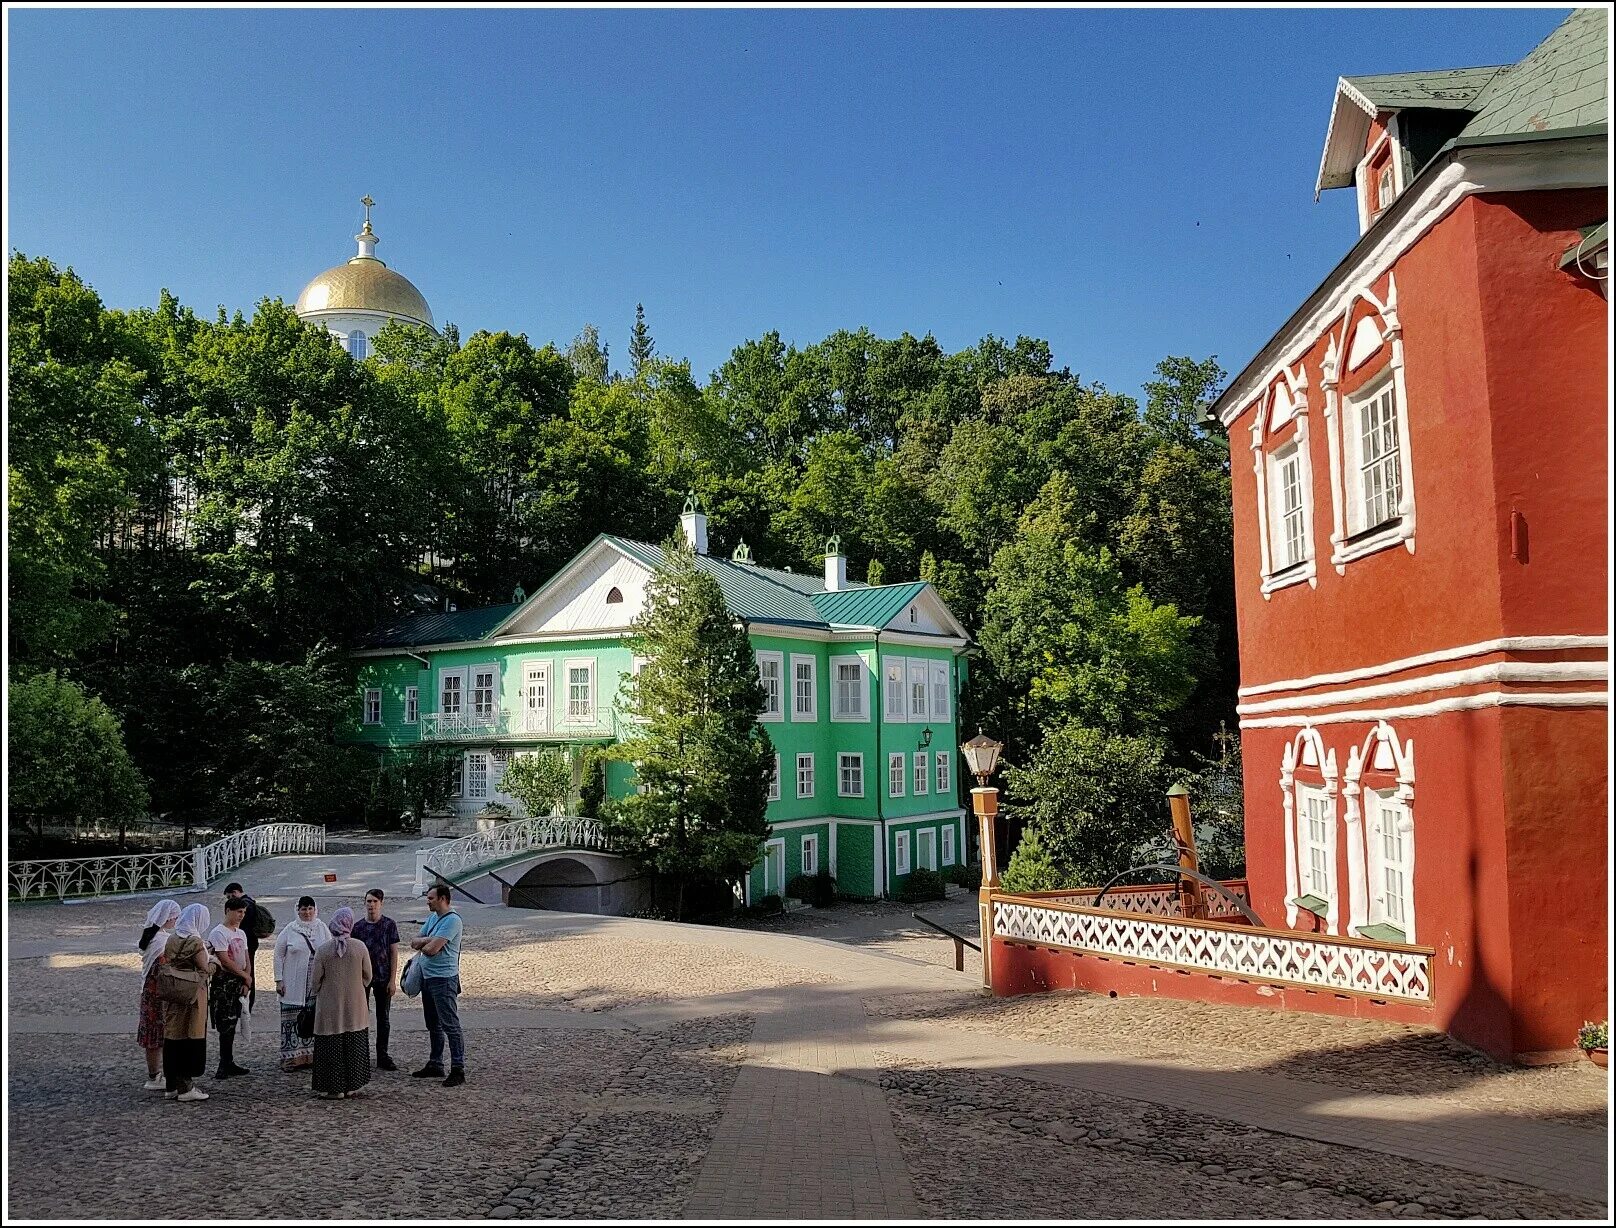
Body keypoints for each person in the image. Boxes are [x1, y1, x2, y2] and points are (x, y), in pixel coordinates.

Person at [308, 906, 374, 1100]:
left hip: (330, 1008)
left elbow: (315, 981)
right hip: (355, 1007)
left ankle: (334, 1088)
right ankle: (352, 1086)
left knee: (332, 1047)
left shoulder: (323, 950)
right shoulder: (360, 947)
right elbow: (368, 976)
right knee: (354, 1045)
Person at [410, 883, 466, 1087]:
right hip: (427, 977)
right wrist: (430, 940)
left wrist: (428, 943)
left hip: (443, 979)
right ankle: (436, 1063)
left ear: (442, 899)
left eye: (431, 898)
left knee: (450, 1024)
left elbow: (431, 950)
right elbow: (414, 942)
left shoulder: (452, 921)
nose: (427, 900)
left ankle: (458, 1068)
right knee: (433, 1024)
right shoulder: (434, 918)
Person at [273, 896, 331, 1072]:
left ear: (315, 910)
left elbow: (330, 951)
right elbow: (278, 954)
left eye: (310, 909)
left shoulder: (322, 928)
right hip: (294, 983)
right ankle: (291, 1059)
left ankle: (312, 1056)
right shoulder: (290, 930)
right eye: (303, 909)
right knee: (292, 1020)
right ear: (298, 910)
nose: (307, 913)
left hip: (315, 984)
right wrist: (279, 979)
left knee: (314, 1019)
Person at [162, 903, 213, 1102]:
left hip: (174, 992)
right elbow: (204, 969)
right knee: (190, 1035)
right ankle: (186, 1086)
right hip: (192, 995)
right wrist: (214, 962)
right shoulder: (195, 942)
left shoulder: (172, 938)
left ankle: (171, 1085)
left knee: (173, 1036)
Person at [351, 888, 401, 1071]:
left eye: (374, 902)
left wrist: (392, 979)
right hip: (362, 977)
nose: (371, 905)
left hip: (382, 975)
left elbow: (394, 952)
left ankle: (383, 1054)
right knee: (361, 1017)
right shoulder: (358, 927)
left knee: (383, 1017)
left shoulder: (389, 925)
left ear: (381, 903)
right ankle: (361, 1053)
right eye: (369, 901)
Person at [206, 895, 253, 1078]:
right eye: (238, 912)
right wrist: (244, 975)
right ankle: (223, 1063)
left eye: (243, 912)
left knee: (234, 1022)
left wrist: (247, 977)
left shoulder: (240, 933)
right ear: (228, 911)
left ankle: (229, 1061)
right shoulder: (219, 933)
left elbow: (246, 957)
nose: (241, 915)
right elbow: (224, 959)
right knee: (225, 1023)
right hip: (225, 982)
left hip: (239, 980)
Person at [137, 899, 182, 1089]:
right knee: (160, 1034)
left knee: (152, 1035)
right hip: (160, 992)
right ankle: (160, 1075)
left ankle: (153, 1074)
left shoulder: (151, 938)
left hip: (149, 990)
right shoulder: (163, 941)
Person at [223, 882, 270, 1010]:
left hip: (246, 943)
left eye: (230, 897)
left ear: (235, 892)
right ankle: (246, 1001)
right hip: (250, 942)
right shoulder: (250, 902)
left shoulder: (246, 905)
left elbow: (241, 926)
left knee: (247, 971)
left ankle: (246, 1001)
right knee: (248, 970)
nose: (230, 900)